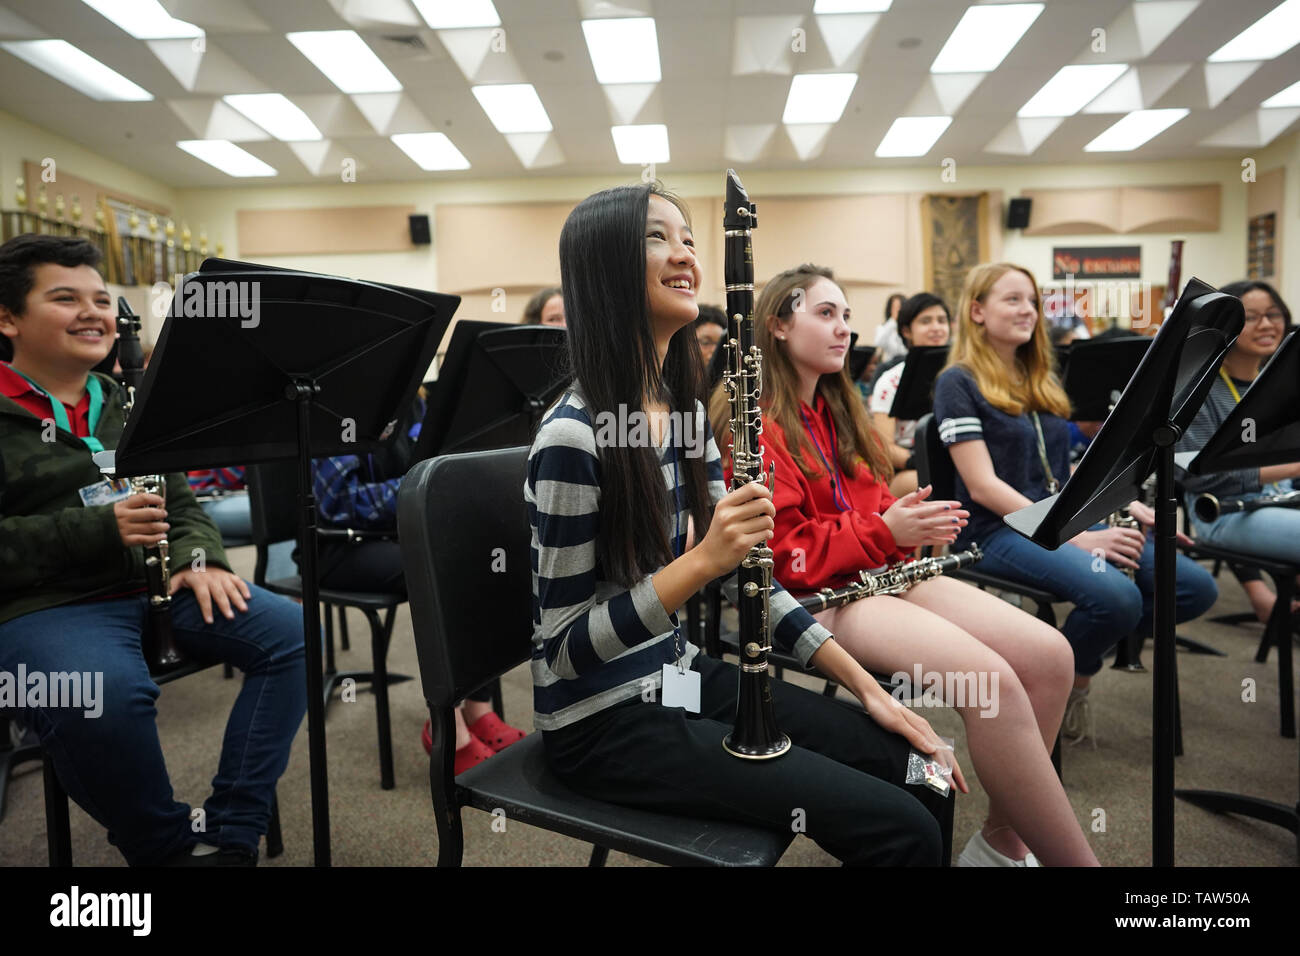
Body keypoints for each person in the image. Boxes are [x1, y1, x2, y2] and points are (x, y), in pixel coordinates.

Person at [527, 183, 957, 866]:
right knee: (902, 827)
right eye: (656, 238)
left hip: (676, 676)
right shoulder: (575, 437)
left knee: (918, 766)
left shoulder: (687, 415)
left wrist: (868, 688)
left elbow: (752, 582)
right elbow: (562, 650)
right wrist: (701, 561)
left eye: (689, 239)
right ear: (604, 267)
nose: (685, 256)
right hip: (602, 724)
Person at [710, 263, 1097, 867]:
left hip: (874, 575)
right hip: (815, 600)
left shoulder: (841, 408)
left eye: (846, 316)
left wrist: (904, 518)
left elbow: (869, 502)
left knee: (1051, 658)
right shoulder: (751, 421)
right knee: (991, 685)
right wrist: (882, 529)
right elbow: (784, 557)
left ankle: (1002, 844)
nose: (844, 330)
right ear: (778, 326)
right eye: (826, 314)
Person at [0, 233, 306, 866]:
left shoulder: (125, 401)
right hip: (47, 606)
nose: (94, 313)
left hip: (155, 587)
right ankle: (163, 850)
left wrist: (203, 560)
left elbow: (183, 503)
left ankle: (232, 833)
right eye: (65, 298)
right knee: (104, 693)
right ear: (7, 318)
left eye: (101, 299)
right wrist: (96, 529)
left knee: (295, 633)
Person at [933, 262, 1218, 744]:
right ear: (977, 311)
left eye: (1033, 301)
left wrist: (1116, 506)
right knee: (1117, 598)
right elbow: (981, 486)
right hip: (996, 529)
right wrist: (1078, 535)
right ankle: (1067, 678)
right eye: (1013, 299)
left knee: (1191, 587)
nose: (1029, 310)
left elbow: (1064, 473)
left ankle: (1060, 665)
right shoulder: (957, 382)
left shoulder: (1040, 377)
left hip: (1055, 520)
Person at [309, 395, 526, 773]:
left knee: (484, 554)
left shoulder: (414, 401)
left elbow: (430, 461)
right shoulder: (331, 401)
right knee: (446, 566)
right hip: (337, 546)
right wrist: (425, 488)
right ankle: (448, 725)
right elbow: (339, 502)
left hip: (401, 533)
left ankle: (478, 709)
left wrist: (440, 482)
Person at [1178, 279, 1299, 626]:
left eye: (1273, 314)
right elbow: (1199, 475)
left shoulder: (1280, 383)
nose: (1266, 324)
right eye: (1252, 317)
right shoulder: (1199, 390)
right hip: (1220, 512)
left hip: (1277, 499)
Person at [869, 292, 951, 497]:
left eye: (942, 320)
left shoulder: (963, 374)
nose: (936, 327)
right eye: (926, 321)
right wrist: (922, 460)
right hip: (909, 469)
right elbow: (884, 446)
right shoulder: (890, 381)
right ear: (906, 331)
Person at [873, 292, 908, 364]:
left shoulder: (908, 328)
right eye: (894, 307)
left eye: (899, 307)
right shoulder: (883, 327)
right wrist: (893, 321)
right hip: (890, 364)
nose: (897, 310)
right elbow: (878, 343)